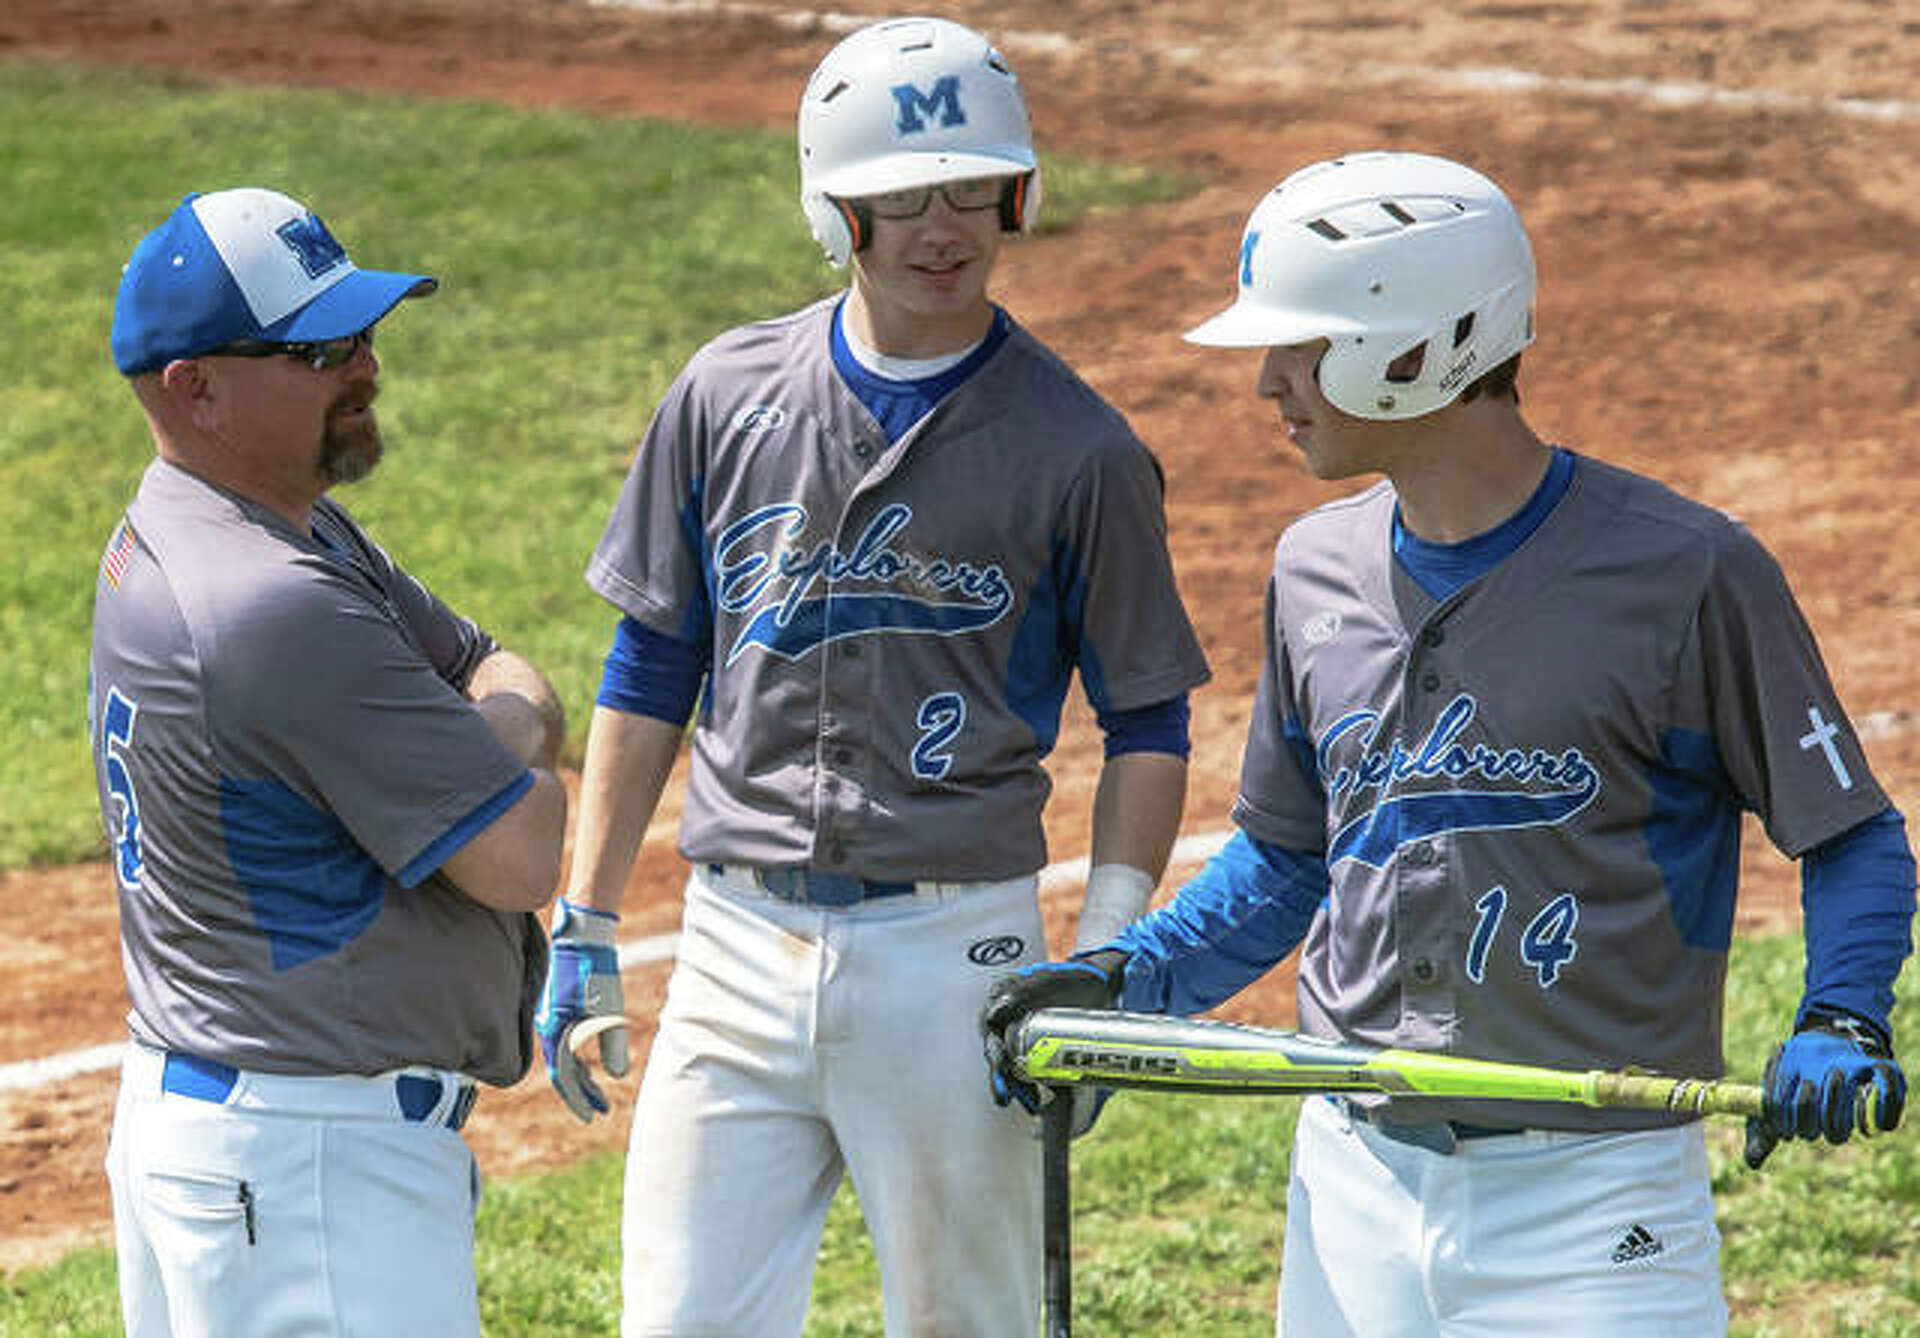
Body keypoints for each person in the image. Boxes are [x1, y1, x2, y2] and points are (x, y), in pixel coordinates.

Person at [983, 150, 1914, 1335]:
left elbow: (1854, 836)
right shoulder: (1311, 566)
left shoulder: (1688, 574)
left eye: (1300, 347)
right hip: (1350, 1182)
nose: (1268, 383)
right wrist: (1133, 980)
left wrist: (1841, 1013)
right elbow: (1287, 858)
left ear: (1417, 346)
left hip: (1593, 1205)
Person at [531, 15, 1210, 1335]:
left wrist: (1113, 948)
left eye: (971, 188)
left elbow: (1149, 716)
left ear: (1018, 194)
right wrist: (589, 919)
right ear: (837, 207)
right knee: (676, 1319)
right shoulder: (725, 395)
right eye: (901, 196)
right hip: (733, 945)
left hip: (953, 958)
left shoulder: (1083, 450)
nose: (941, 225)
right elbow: (652, 660)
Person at [93, 186, 568, 1338]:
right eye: (316, 348)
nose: (362, 364)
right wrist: (504, 750)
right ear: (193, 386)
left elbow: (503, 672)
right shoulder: (265, 601)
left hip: (248, 1140)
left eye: (364, 332)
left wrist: (488, 728)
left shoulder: (254, 521)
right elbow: (520, 851)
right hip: (303, 1173)